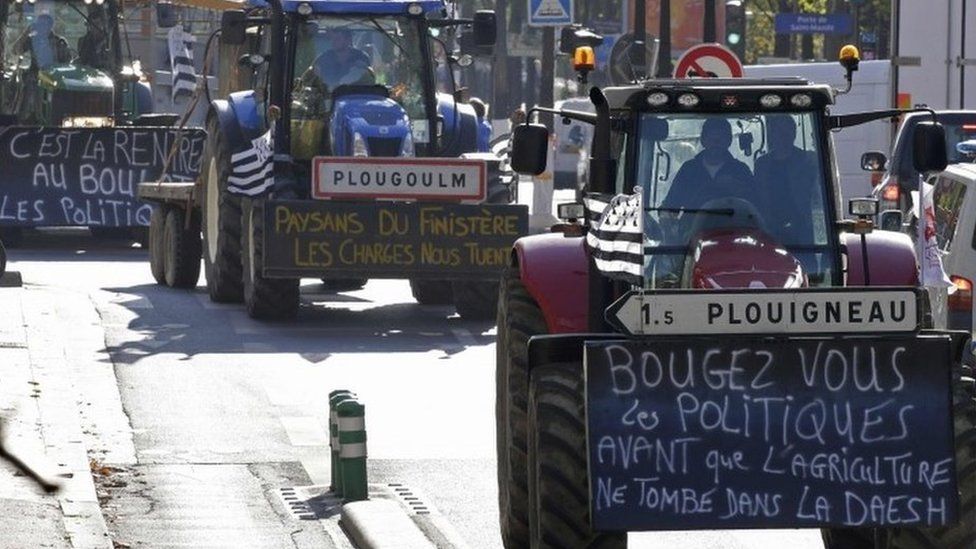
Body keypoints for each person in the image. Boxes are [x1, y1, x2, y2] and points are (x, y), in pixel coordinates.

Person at [661, 117, 754, 211]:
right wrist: (666, 216)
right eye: (711, 138)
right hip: (693, 220)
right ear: (703, 140)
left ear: (729, 141)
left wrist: (737, 189)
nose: (716, 143)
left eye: (720, 138)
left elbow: (755, 206)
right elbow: (671, 205)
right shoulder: (688, 170)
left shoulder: (741, 171)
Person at [754, 115, 818, 242]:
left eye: (787, 130)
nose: (782, 136)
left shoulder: (808, 161)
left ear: (794, 133)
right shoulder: (762, 164)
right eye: (778, 131)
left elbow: (817, 193)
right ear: (771, 134)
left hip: (802, 226)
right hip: (770, 226)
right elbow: (758, 194)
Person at [307, 29, 372, 90]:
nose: (333, 41)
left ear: (348, 40)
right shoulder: (323, 58)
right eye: (332, 38)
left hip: (355, 94)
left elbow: (369, 80)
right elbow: (312, 79)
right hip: (329, 95)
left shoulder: (361, 57)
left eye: (337, 39)